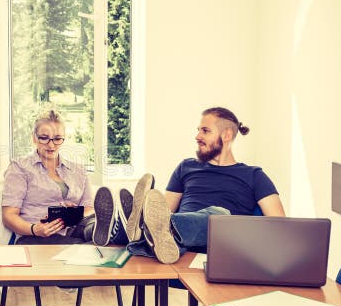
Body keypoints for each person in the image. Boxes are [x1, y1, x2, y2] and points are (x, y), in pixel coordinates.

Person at [94, 107, 285, 264]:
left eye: (205, 131)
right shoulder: (187, 167)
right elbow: (162, 212)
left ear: (226, 135)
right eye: (198, 130)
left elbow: (280, 226)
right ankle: (141, 231)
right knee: (163, 222)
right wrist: (154, 215)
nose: (197, 136)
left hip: (222, 244)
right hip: (175, 247)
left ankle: (127, 229)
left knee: (219, 215)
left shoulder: (254, 175)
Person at [1, 109, 97, 244]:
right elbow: (9, 216)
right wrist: (35, 229)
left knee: (93, 229)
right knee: (86, 247)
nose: (51, 145)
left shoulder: (79, 170)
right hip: (36, 237)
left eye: (57, 138)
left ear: (64, 139)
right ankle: (98, 234)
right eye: (44, 138)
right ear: (34, 138)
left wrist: (73, 213)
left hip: (74, 230)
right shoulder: (19, 168)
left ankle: (102, 229)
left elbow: (89, 208)